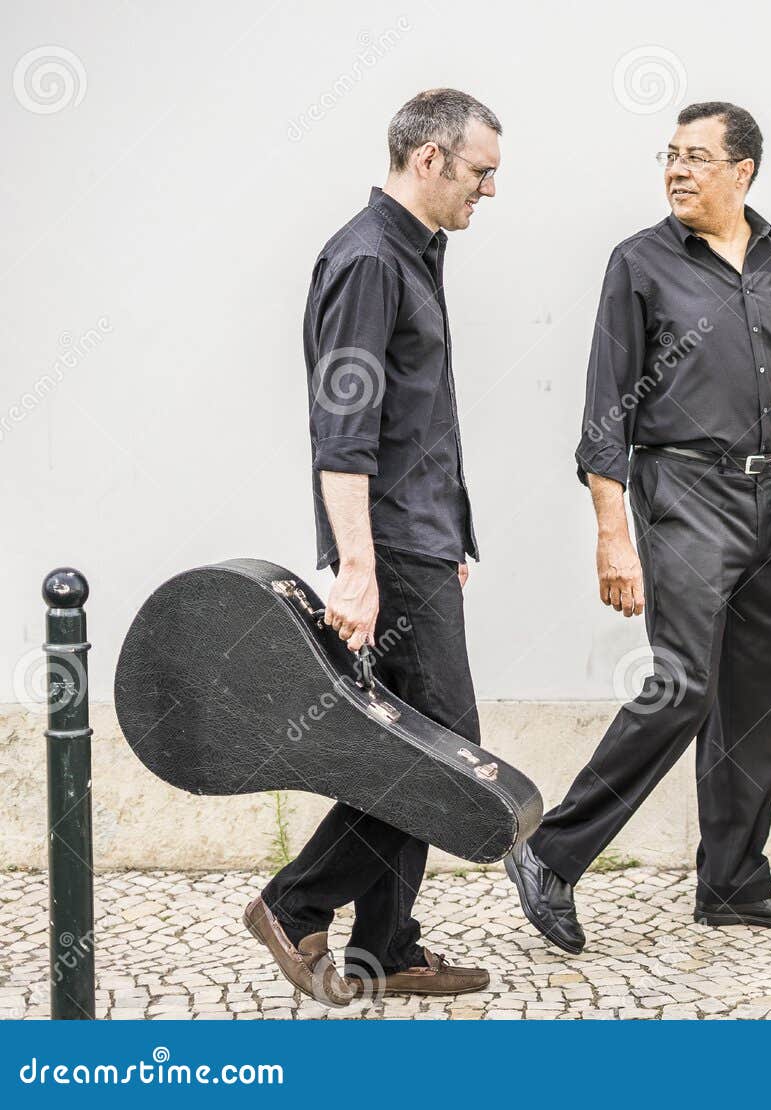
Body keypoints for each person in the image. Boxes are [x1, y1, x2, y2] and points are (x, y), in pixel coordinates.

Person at [504, 101, 771, 953]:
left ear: (742, 172)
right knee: (683, 688)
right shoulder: (638, 263)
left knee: (751, 696)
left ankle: (734, 881)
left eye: (696, 158)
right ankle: (551, 855)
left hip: (765, 498)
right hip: (679, 492)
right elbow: (606, 406)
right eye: (670, 156)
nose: (677, 171)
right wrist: (613, 532)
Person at [243, 88, 502, 1004]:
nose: (490, 191)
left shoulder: (415, 254)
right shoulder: (367, 260)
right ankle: (294, 903)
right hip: (388, 550)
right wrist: (362, 566)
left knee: (413, 746)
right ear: (427, 160)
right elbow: (343, 429)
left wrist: (449, 533)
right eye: (481, 172)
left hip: (419, 542)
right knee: (441, 754)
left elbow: (416, 419)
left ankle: (388, 945)